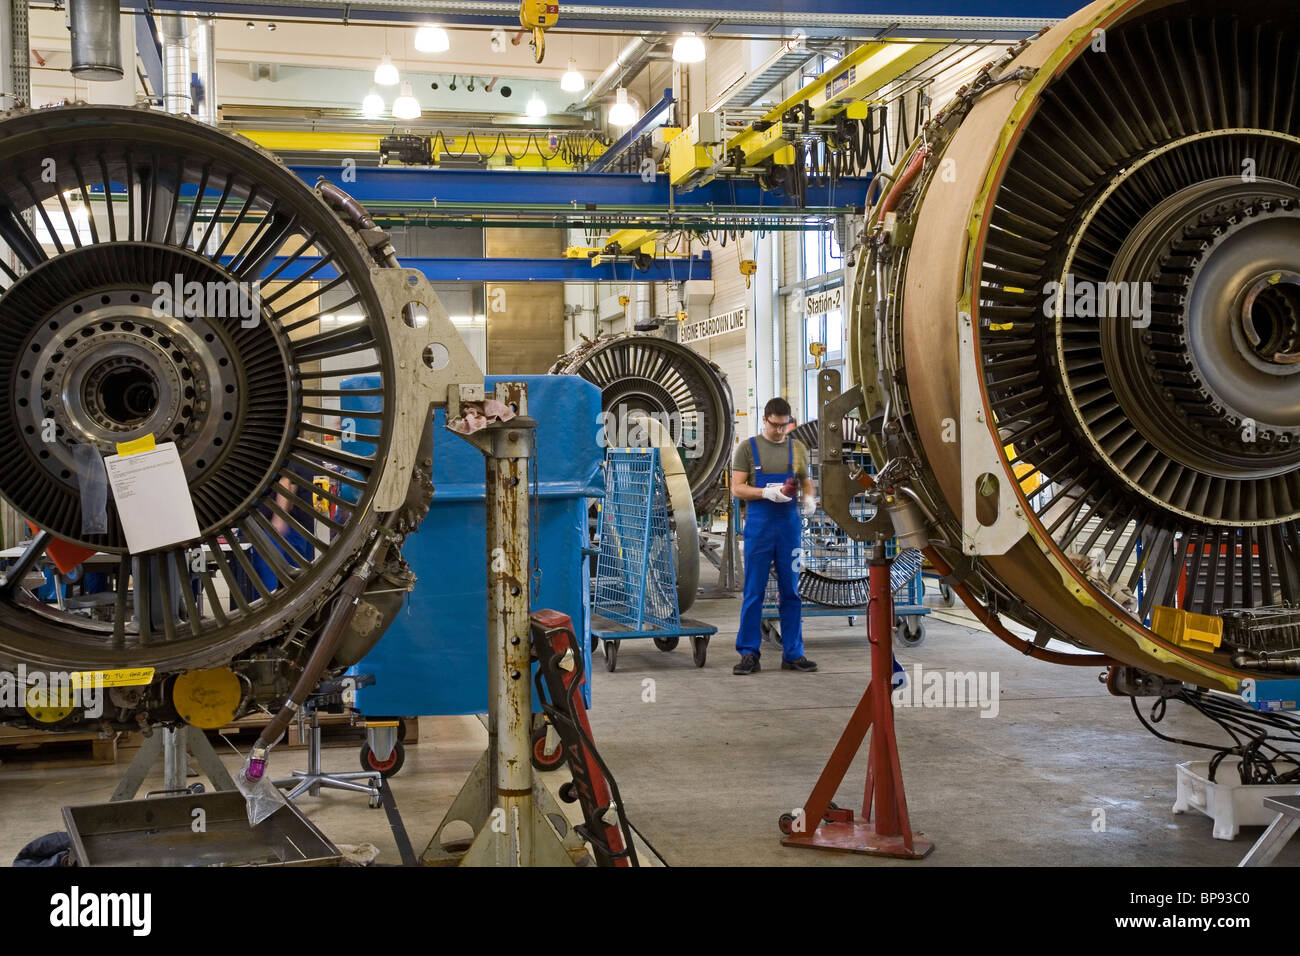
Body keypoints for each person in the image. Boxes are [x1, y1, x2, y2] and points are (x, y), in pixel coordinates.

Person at [730, 397, 818, 675]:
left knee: (791, 591)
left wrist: (810, 499)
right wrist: (766, 492)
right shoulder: (747, 448)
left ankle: (793, 653)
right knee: (753, 590)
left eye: (784, 426)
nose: (779, 431)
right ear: (765, 420)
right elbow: (737, 488)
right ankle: (748, 653)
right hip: (759, 526)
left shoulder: (798, 448)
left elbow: (807, 482)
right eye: (774, 425)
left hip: (789, 527)